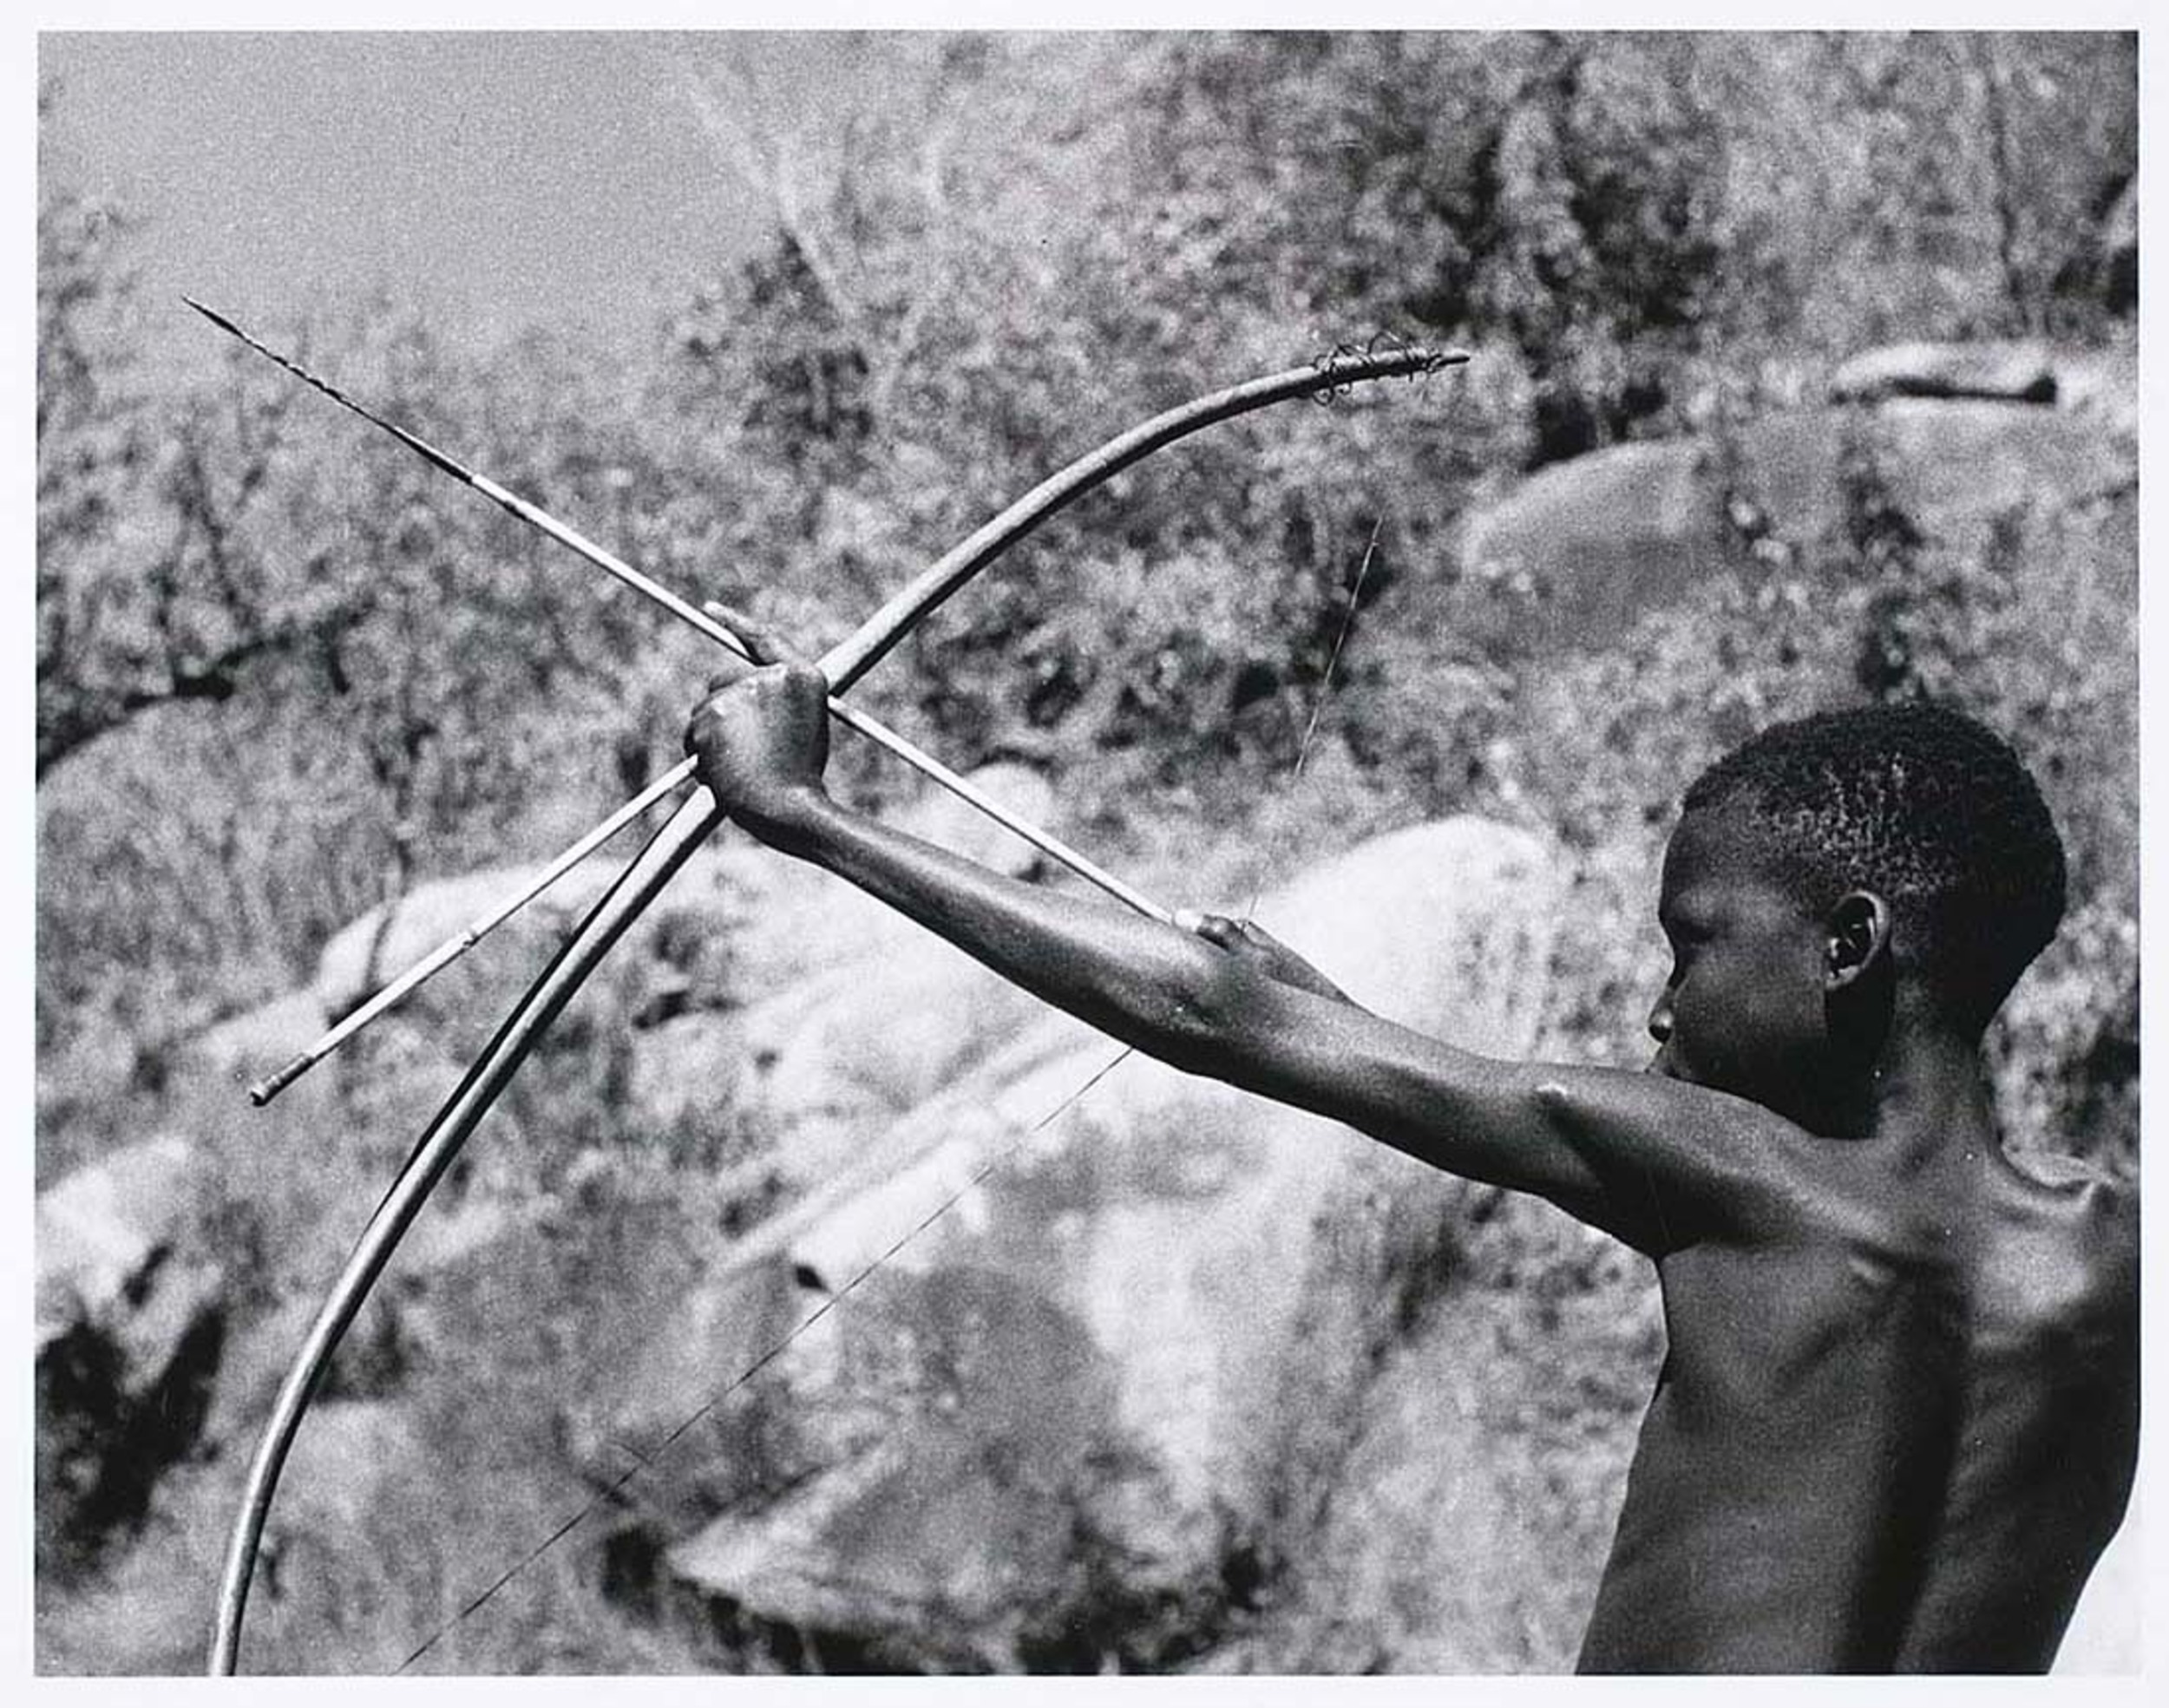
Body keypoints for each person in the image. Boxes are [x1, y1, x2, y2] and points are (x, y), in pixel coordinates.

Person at [684, 609, 2137, 1674]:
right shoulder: (2108, 1257)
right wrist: (1350, 1027)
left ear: (1848, 946)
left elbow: (1212, 1016)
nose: (1657, 1009)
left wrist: (808, 815)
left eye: (1692, 948)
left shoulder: (1739, 1178)